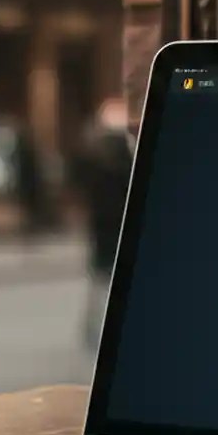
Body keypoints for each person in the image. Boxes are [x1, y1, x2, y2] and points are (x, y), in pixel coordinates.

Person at [73, 97, 134, 350]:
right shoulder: (126, 156)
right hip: (118, 220)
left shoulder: (93, 154)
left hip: (101, 223)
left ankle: (92, 328)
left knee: (100, 277)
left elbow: (80, 181)